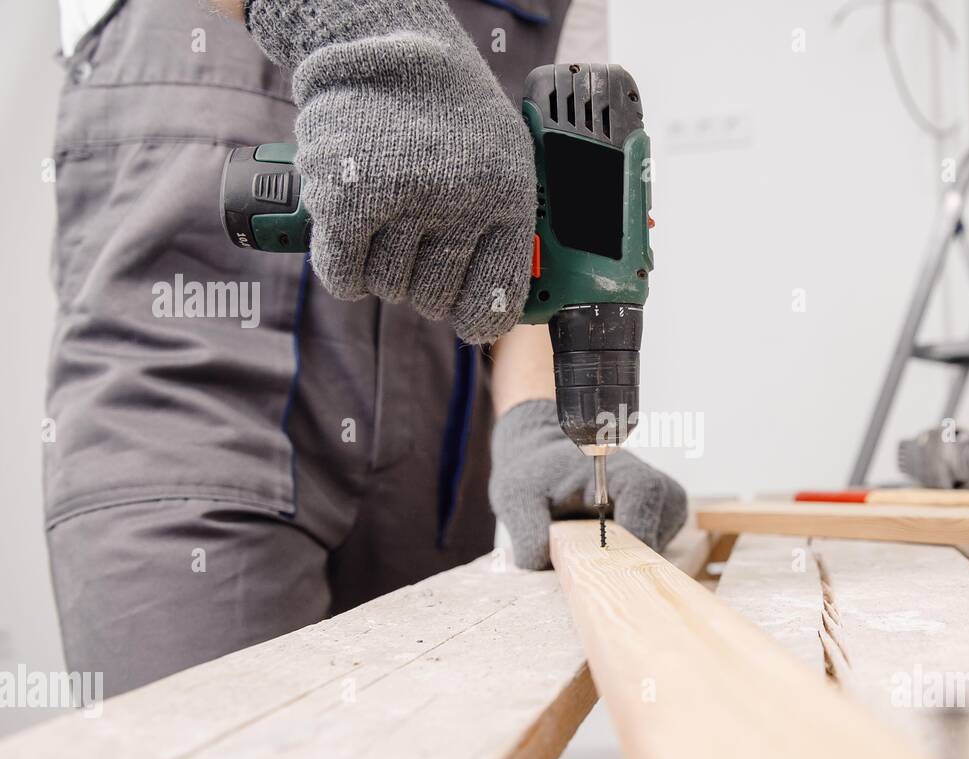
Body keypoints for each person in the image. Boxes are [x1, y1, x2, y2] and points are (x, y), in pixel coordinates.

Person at [47, 0, 687, 696]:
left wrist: (536, 417)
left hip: (441, 446)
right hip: (184, 392)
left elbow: (552, 224)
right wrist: (350, 18)